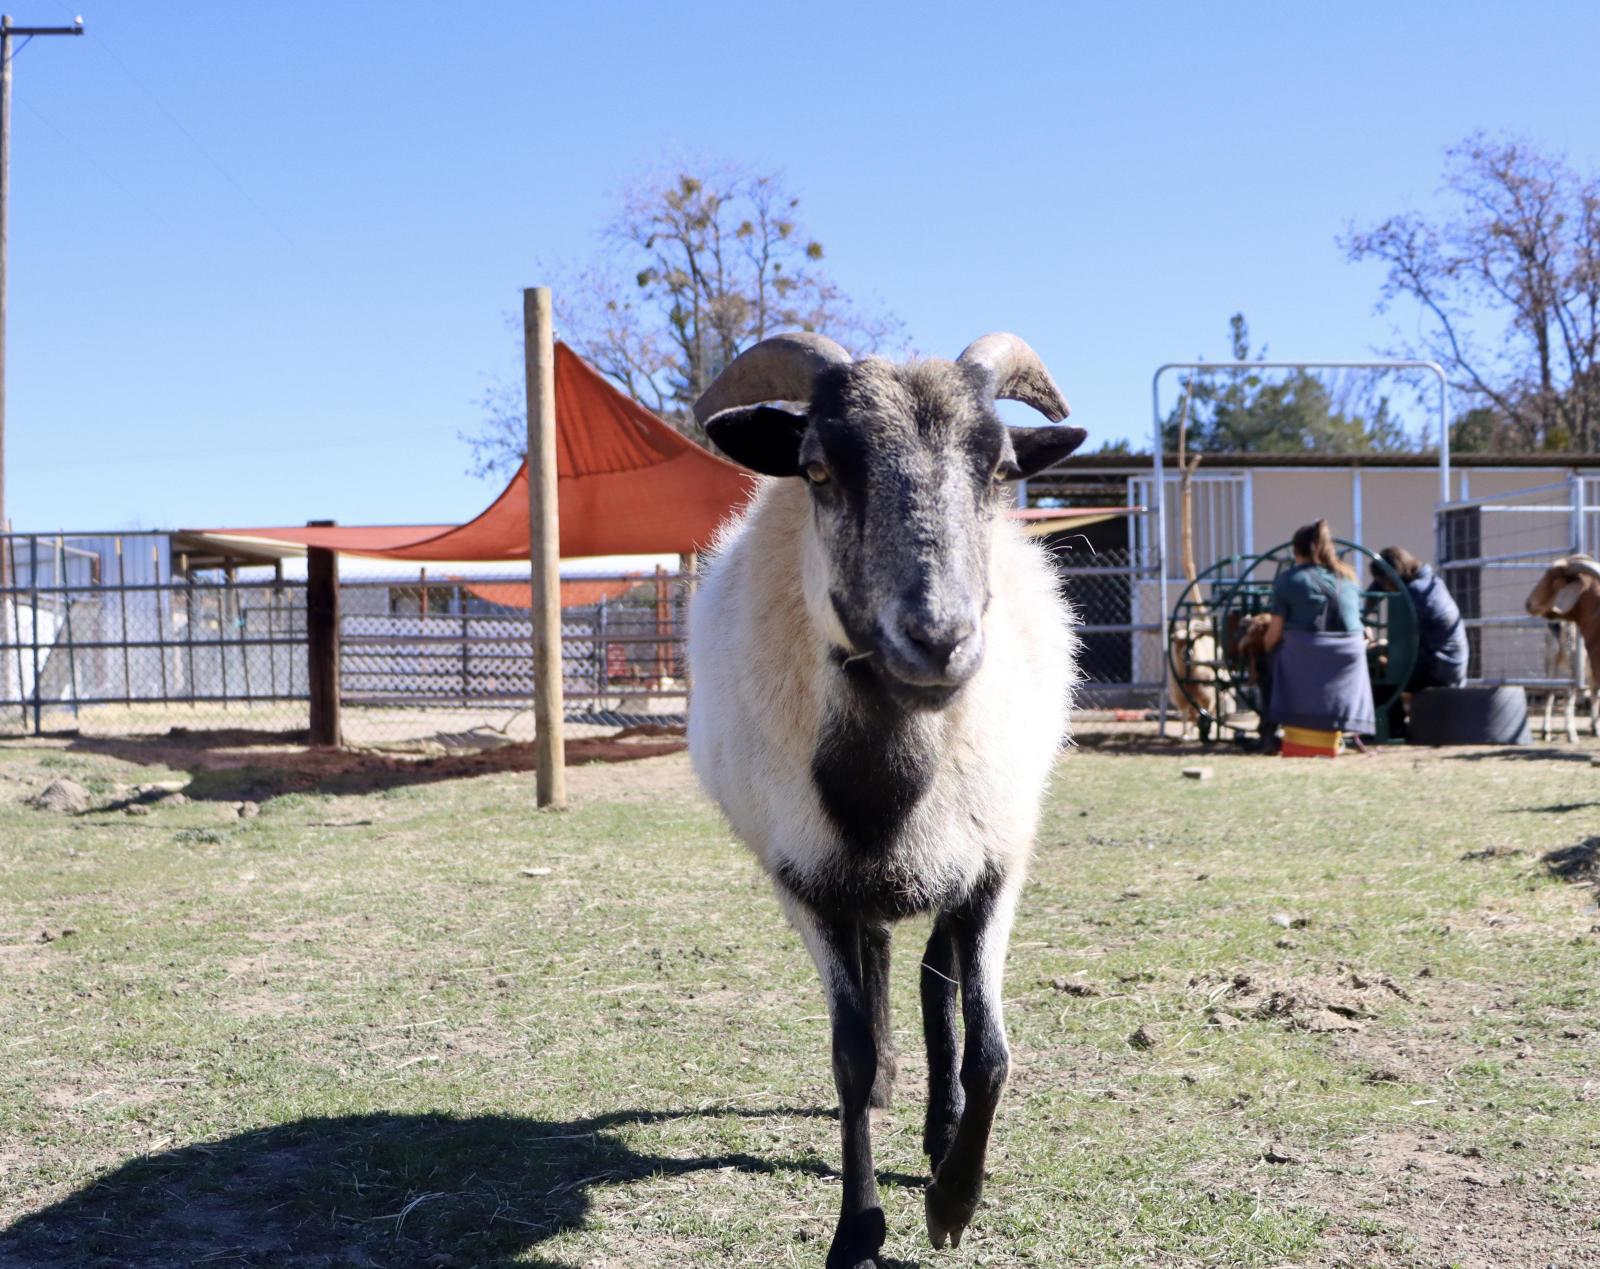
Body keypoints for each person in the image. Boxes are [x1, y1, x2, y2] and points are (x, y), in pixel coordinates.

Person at [1258, 519, 1375, 749]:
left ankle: (1269, 734)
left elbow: (1273, 635)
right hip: (1349, 658)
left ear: (1296, 550)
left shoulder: (1288, 580)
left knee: (1266, 664)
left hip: (1305, 654)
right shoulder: (1348, 578)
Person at [1368, 544, 1468, 739]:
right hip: (1447, 664)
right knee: (1384, 666)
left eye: (1384, 582)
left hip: (1438, 670)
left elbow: (1400, 646)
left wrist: (1376, 648)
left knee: (1379, 675)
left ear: (1392, 577)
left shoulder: (1415, 594)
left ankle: (1391, 730)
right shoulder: (1427, 580)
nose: (1385, 588)